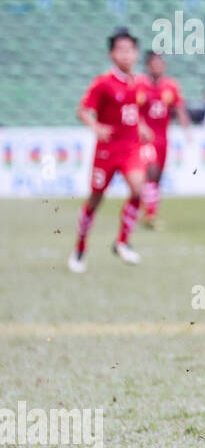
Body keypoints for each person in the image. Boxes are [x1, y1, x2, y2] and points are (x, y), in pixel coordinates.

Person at [68, 29, 152, 271]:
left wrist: (142, 126)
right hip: (106, 152)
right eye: (120, 50)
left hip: (131, 149)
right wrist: (95, 126)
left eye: (130, 50)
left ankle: (122, 242)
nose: (126, 55)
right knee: (95, 200)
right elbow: (82, 110)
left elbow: (132, 112)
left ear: (136, 53)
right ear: (112, 54)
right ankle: (80, 247)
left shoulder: (140, 82)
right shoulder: (103, 82)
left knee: (138, 189)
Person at [137, 51, 191, 228]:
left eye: (160, 63)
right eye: (154, 63)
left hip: (163, 139)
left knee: (157, 177)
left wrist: (187, 131)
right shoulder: (140, 85)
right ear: (148, 66)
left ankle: (149, 212)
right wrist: (141, 126)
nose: (157, 66)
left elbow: (180, 109)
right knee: (151, 172)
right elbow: (133, 109)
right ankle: (149, 215)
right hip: (145, 139)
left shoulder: (171, 86)